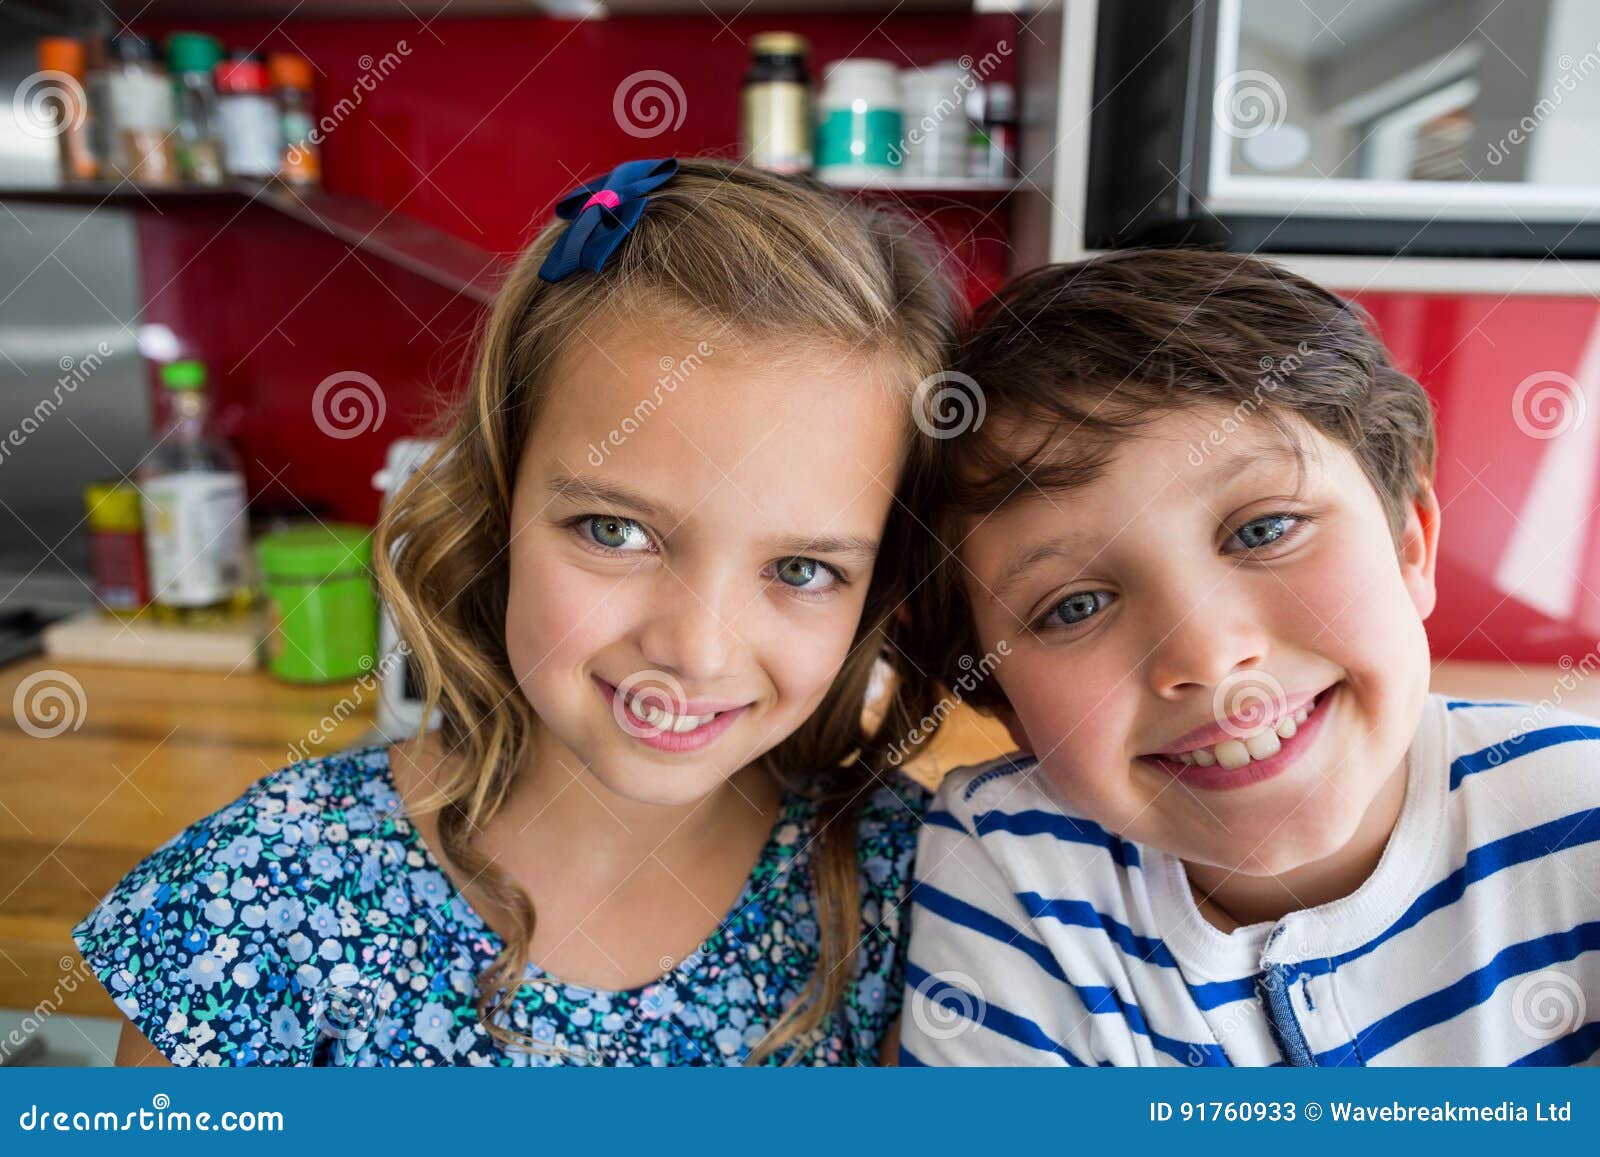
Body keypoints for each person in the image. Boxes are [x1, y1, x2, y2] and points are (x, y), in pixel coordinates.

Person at [73, 156, 959, 1067]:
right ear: (495, 504)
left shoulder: (921, 889)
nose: (696, 649)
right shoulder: (267, 886)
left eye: (804, 567)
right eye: (615, 530)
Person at [893, 249, 1600, 1066]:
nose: (1211, 657)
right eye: (1076, 605)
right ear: (1000, 697)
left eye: (1264, 529)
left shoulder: (1576, 821)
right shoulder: (1011, 864)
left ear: (1411, 543)